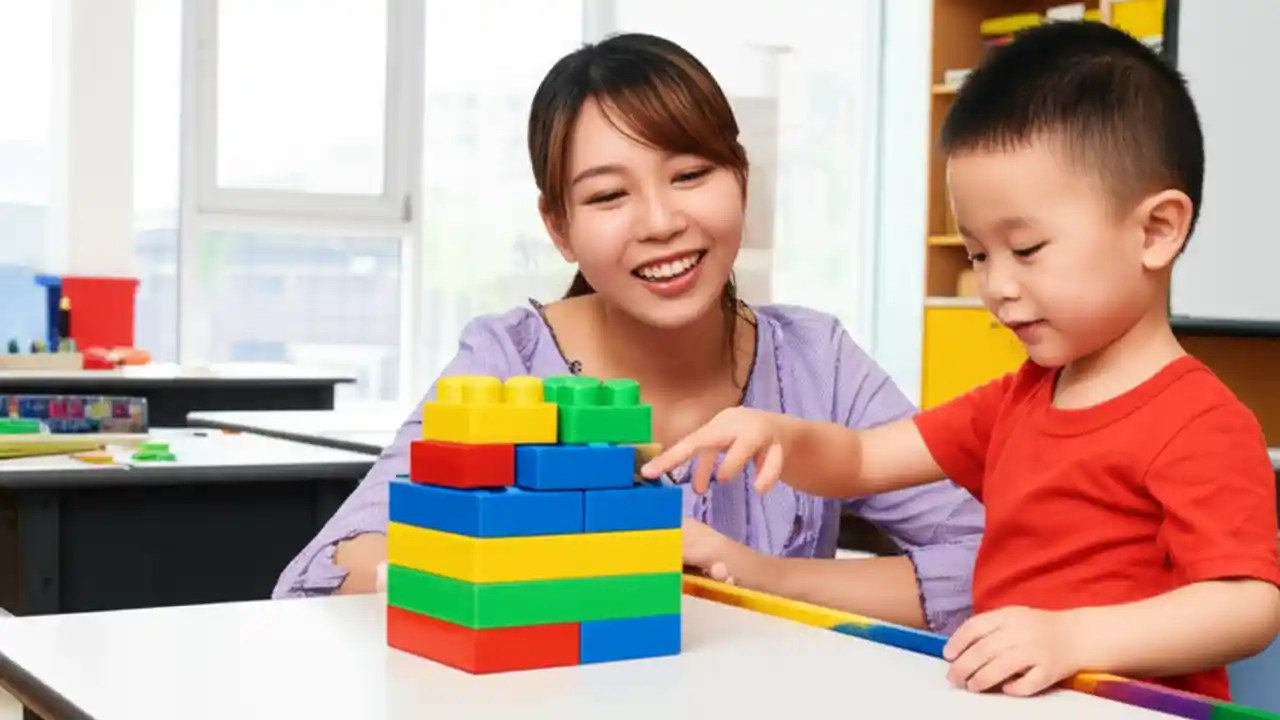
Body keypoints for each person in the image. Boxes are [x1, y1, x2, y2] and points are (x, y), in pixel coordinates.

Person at [642, 21, 1280, 701]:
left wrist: (1072, 638)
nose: (995, 285)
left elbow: (1247, 604)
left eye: (1026, 250)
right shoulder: (1020, 399)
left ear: (1155, 231)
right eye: (979, 254)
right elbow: (862, 459)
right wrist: (780, 435)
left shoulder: (1199, 423)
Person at [272, 32, 985, 635]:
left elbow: (996, 560)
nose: (661, 222)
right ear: (560, 228)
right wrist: (527, 569)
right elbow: (324, 573)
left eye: (691, 174)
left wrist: (761, 579)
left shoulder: (817, 361)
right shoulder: (509, 361)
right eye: (609, 195)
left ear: (741, 178)